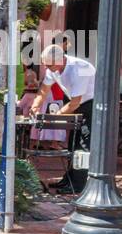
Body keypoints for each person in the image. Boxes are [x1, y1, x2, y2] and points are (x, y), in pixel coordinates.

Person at [38, 45, 95, 192]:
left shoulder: (79, 68)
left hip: (91, 105)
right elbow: (44, 89)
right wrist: (35, 106)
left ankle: (78, 185)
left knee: (82, 146)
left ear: (60, 59)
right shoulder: (53, 69)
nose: (47, 68)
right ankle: (68, 179)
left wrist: (55, 116)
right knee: (72, 144)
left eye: (49, 65)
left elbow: (75, 102)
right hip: (77, 104)